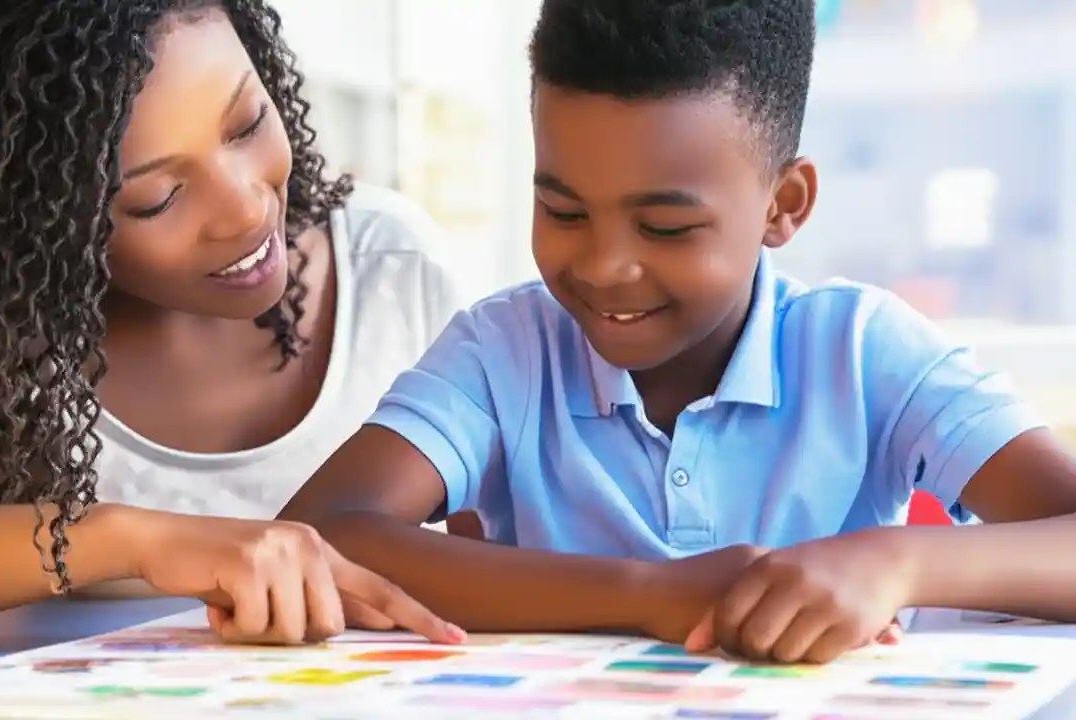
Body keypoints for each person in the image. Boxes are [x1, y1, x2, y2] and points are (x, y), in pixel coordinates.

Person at [281, 0, 1076, 663]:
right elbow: (317, 536)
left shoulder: (863, 352)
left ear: (784, 205)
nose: (604, 267)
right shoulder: (502, 353)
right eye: (562, 211)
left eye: (664, 227)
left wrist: (892, 563)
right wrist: (650, 593)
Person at [0, 0, 465, 647]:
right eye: (157, 198)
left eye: (246, 125)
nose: (244, 210)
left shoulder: (392, 274)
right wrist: (124, 540)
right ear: (34, 215)